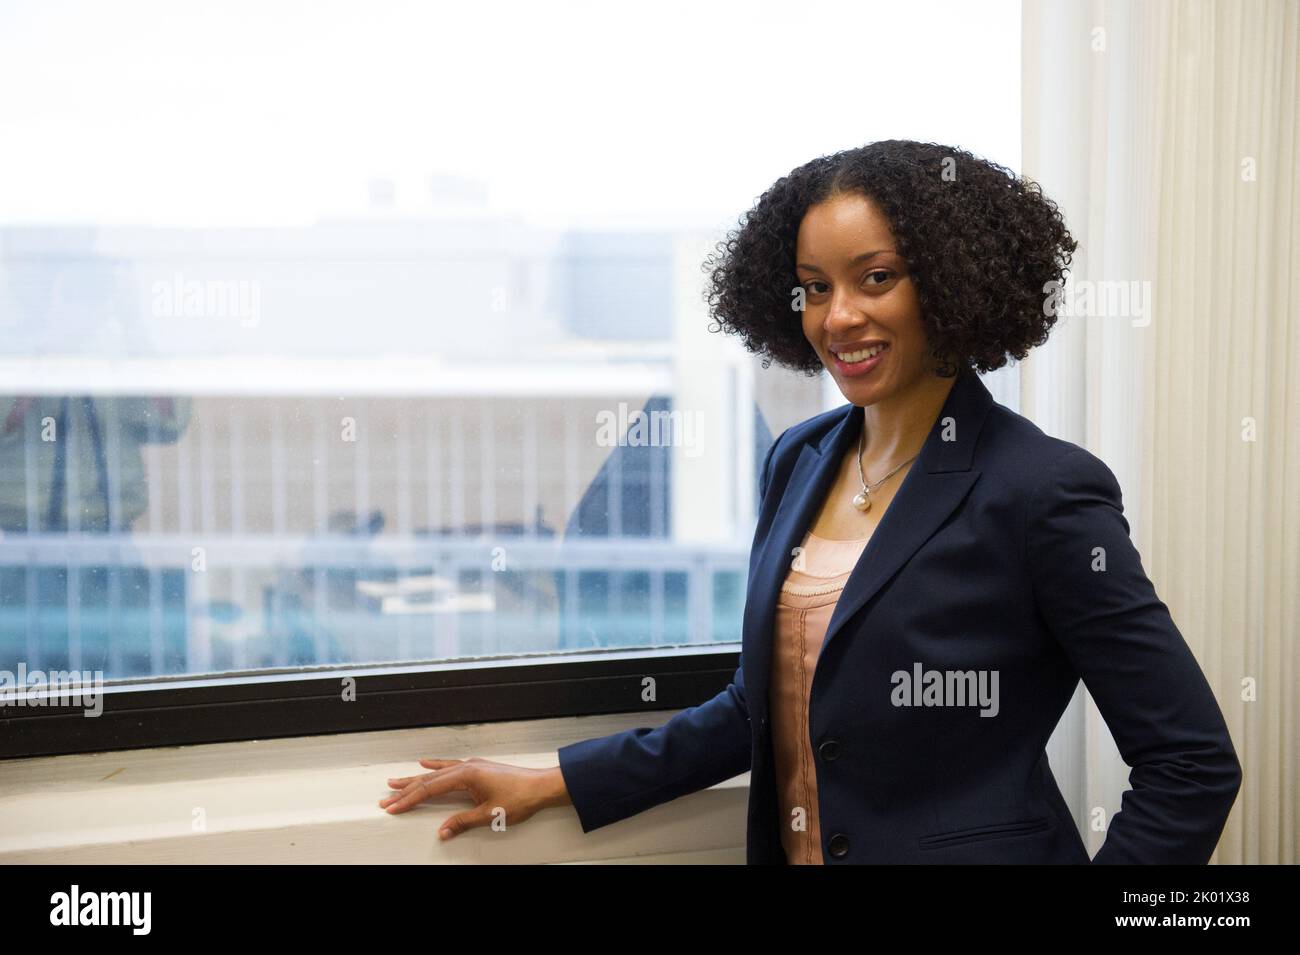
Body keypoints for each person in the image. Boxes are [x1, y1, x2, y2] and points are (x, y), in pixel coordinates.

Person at [377, 140, 1242, 864]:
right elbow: (761, 706)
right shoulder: (799, 459)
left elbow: (1192, 763)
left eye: (876, 278)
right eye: (815, 287)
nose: (839, 317)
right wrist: (553, 778)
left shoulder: (1042, 488)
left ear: (948, 283)